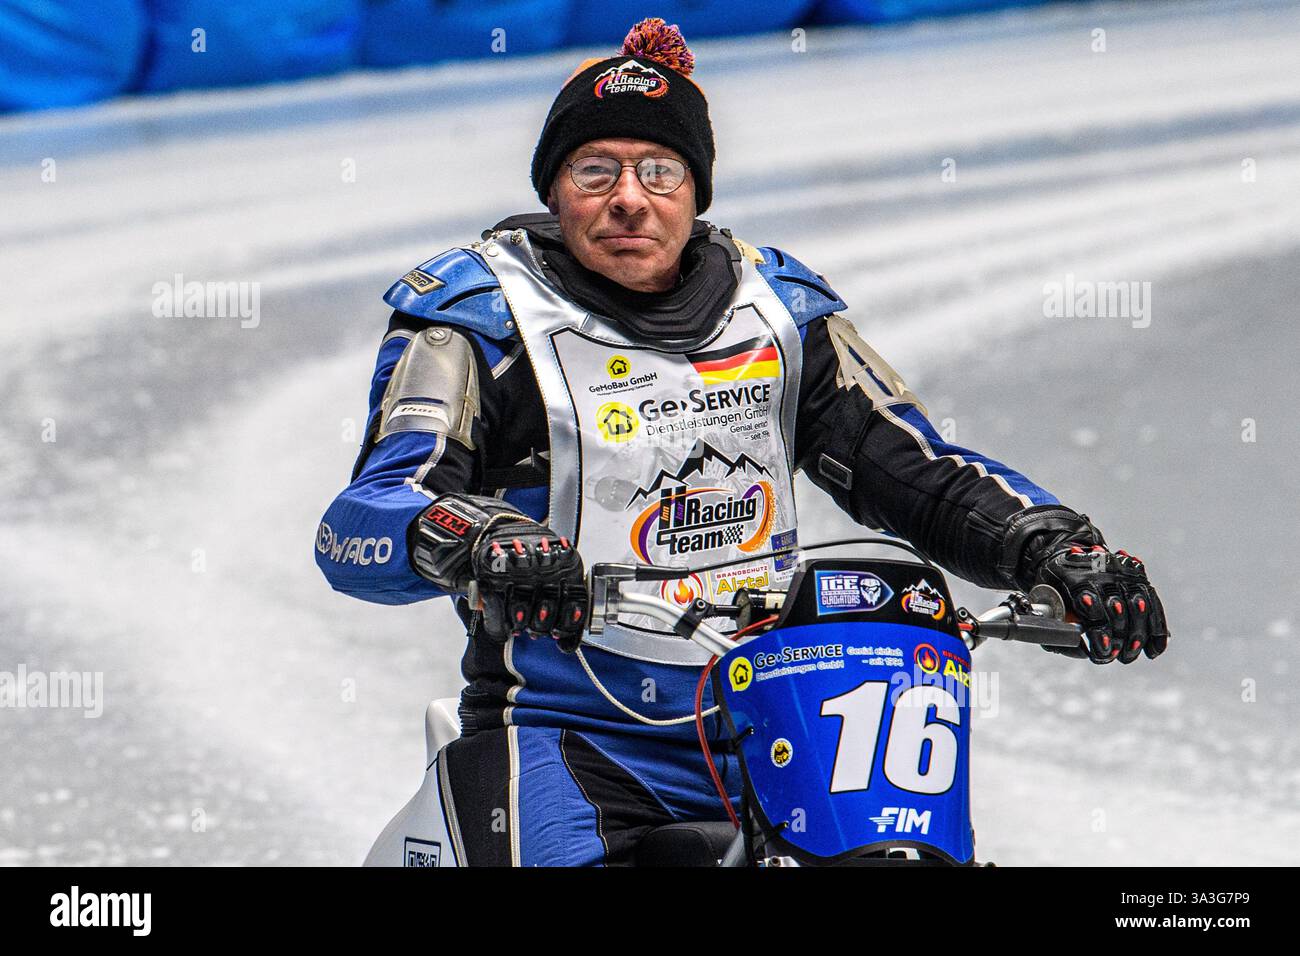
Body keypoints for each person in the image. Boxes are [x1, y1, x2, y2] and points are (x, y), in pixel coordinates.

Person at [315, 18, 1169, 866]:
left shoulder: (778, 315)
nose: (628, 197)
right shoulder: (478, 321)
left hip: (789, 724)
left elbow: (916, 472)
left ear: (695, 190)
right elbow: (367, 514)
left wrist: (1053, 548)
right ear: (555, 190)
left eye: (659, 170)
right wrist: (482, 541)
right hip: (567, 733)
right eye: (594, 170)